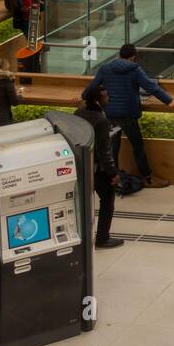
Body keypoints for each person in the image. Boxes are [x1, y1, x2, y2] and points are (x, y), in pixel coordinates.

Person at [82, 44, 174, 189]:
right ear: (133, 57)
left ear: (120, 54)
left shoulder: (105, 68)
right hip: (128, 114)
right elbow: (151, 87)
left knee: (112, 147)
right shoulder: (134, 69)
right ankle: (148, 178)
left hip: (109, 113)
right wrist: (170, 101)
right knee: (137, 146)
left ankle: (113, 179)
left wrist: (82, 96)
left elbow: (91, 88)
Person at [75, 83, 123, 248]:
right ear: (97, 101)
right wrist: (113, 172)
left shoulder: (78, 114)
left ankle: (80, 237)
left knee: (82, 203)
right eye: (105, 96)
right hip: (99, 170)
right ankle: (103, 237)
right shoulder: (101, 120)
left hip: (81, 166)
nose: (108, 98)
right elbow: (104, 150)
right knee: (107, 201)